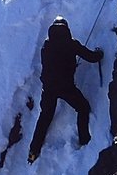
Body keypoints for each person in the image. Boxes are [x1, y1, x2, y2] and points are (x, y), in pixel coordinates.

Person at [28, 16, 103, 164]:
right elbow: (91, 57)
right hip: (66, 86)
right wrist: (99, 53)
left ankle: (33, 151)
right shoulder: (71, 43)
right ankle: (84, 139)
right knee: (82, 108)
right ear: (66, 29)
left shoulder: (46, 46)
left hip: (48, 87)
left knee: (45, 117)